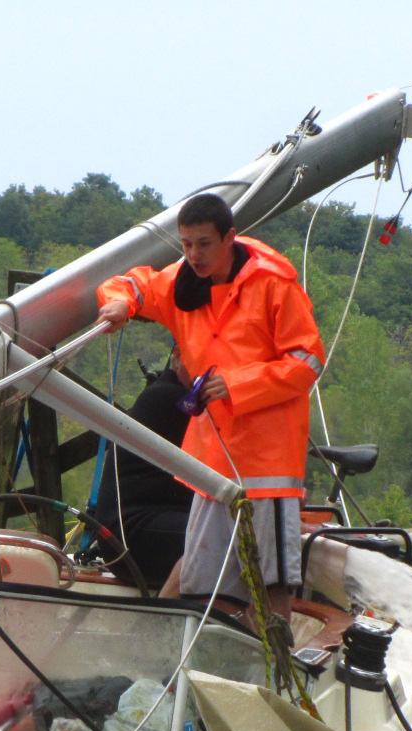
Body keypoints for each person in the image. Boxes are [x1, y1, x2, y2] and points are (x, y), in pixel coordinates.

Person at [96, 193, 324, 638]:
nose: (194, 255)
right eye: (186, 245)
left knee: (272, 584)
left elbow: (307, 361)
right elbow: (132, 284)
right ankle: (175, 660)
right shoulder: (183, 281)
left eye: (203, 244)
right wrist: (120, 303)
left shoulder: (273, 283)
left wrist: (239, 384)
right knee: (202, 579)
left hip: (268, 465)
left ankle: (275, 667)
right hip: (213, 463)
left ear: (229, 238)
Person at [87, 358, 192, 591]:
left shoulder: (169, 394)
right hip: (132, 537)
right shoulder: (171, 399)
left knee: (228, 534)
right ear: (177, 357)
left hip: (131, 534)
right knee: (224, 540)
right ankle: (166, 610)